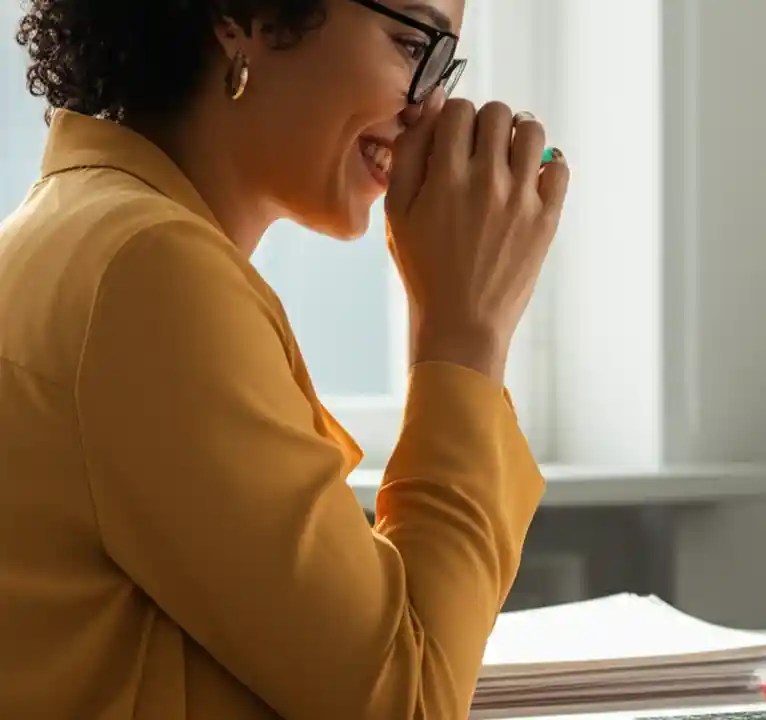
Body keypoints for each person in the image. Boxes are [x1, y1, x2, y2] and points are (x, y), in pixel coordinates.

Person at [0, 0, 568, 717]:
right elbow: (410, 702)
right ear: (242, 15)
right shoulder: (151, 274)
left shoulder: (82, 230)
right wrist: (465, 332)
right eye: (410, 44)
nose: (428, 108)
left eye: (444, 68)